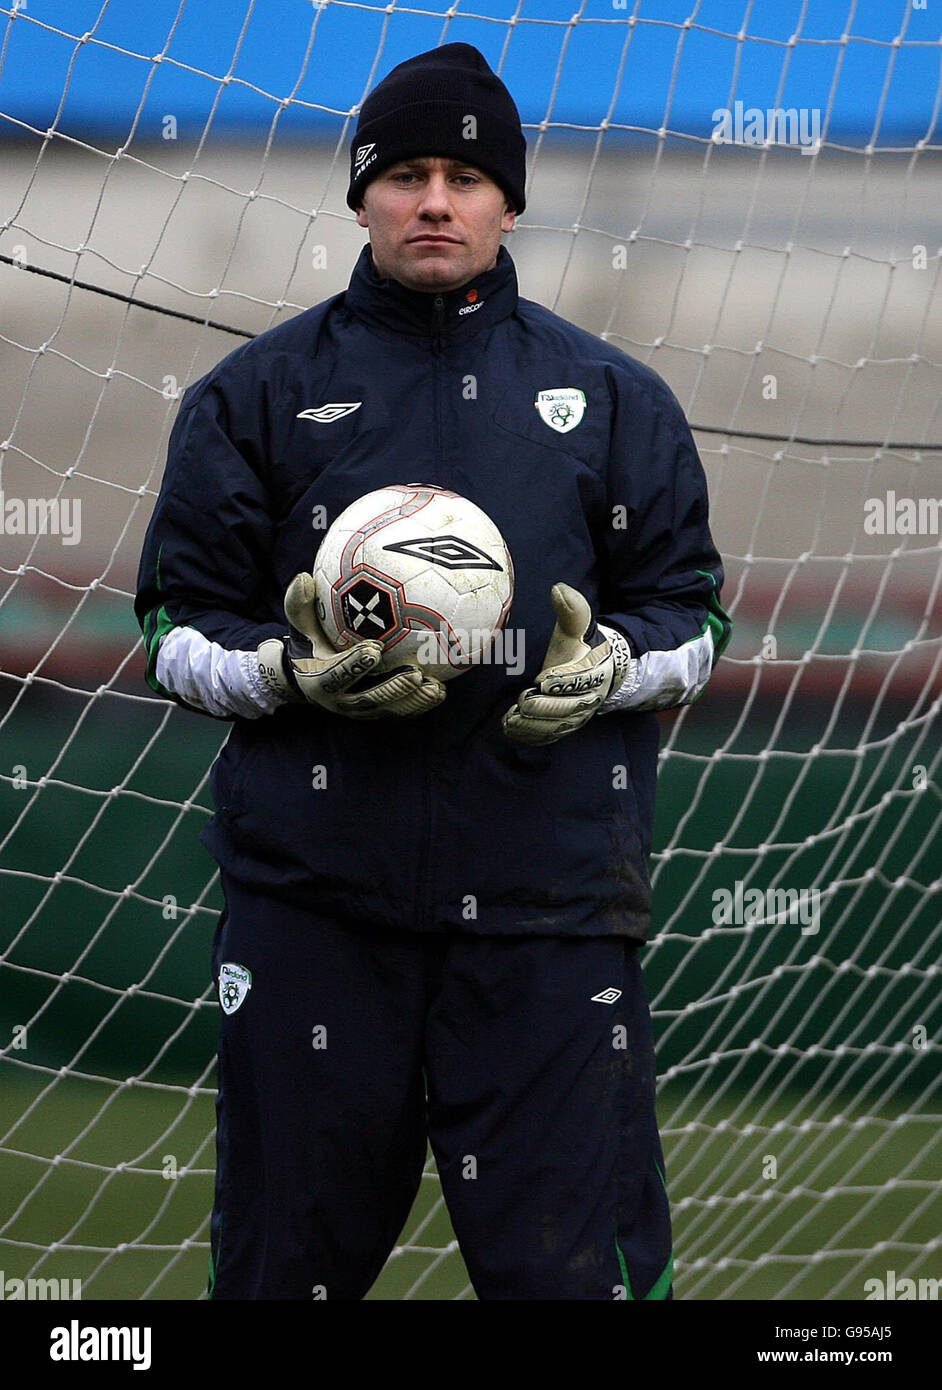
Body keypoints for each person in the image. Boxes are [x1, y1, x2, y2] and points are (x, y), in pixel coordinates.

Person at [135, 42, 731, 1301]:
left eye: (466, 174)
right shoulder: (255, 395)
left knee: (573, 1281)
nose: (435, 200)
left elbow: (692, 618)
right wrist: (288, 676)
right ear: (362, 196)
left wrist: (612, 669)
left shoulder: (615, 400)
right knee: (283, 1272)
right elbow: (175, 628)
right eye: (405, 172)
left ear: (509, 200)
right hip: (315, 912)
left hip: (549, 918)